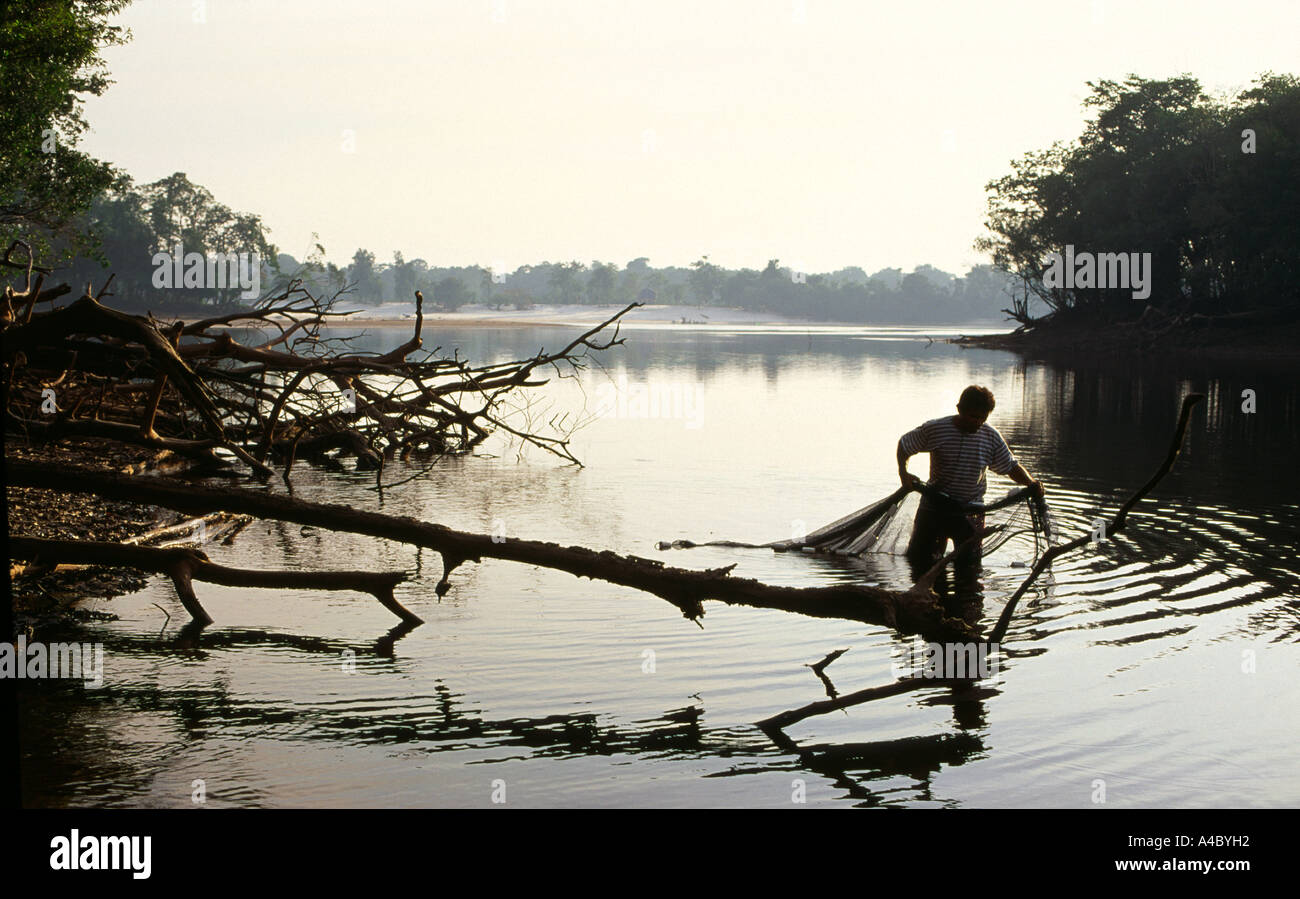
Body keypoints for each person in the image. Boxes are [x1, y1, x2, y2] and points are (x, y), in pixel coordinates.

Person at [896, 385, 1043, 580]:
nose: (977, 423)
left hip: (970, 511)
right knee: (921, 564)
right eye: (973, 417)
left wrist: (1031, 483)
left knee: (968, 569)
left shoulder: (990, 436)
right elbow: (905, 444)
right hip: (935, 507)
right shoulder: (937, 429)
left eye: (982, 418)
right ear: (960, 409)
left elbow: (1010, 466)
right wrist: (903, 473)